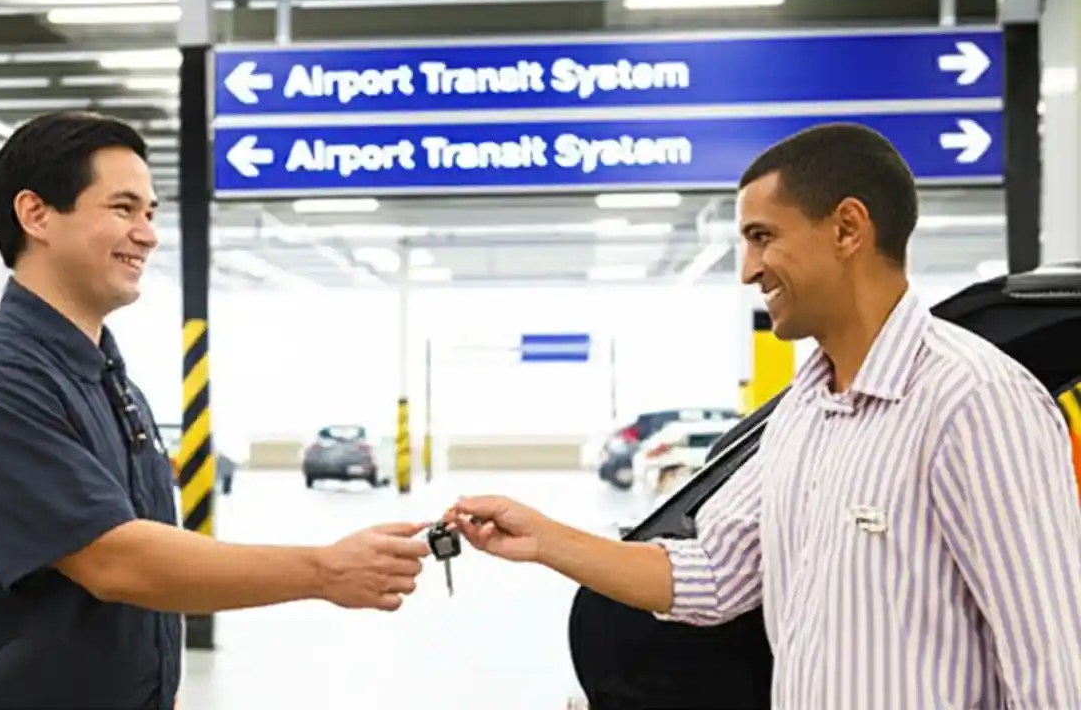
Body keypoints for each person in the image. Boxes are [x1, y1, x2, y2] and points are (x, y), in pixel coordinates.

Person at [445, 123, 1081, 709]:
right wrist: (544, 539)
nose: (749, 270)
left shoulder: (975, 402)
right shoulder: (804, 409)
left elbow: (1052, 665)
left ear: (847, 229)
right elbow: (714, 574)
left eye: (762, 237)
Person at [0, 111, 432, 710]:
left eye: (149, 213)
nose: (147, 234)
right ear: (36, 214)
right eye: (123, 209)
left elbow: (140, 564)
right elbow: (116, 561)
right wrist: (323, 570)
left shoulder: (105, 378)